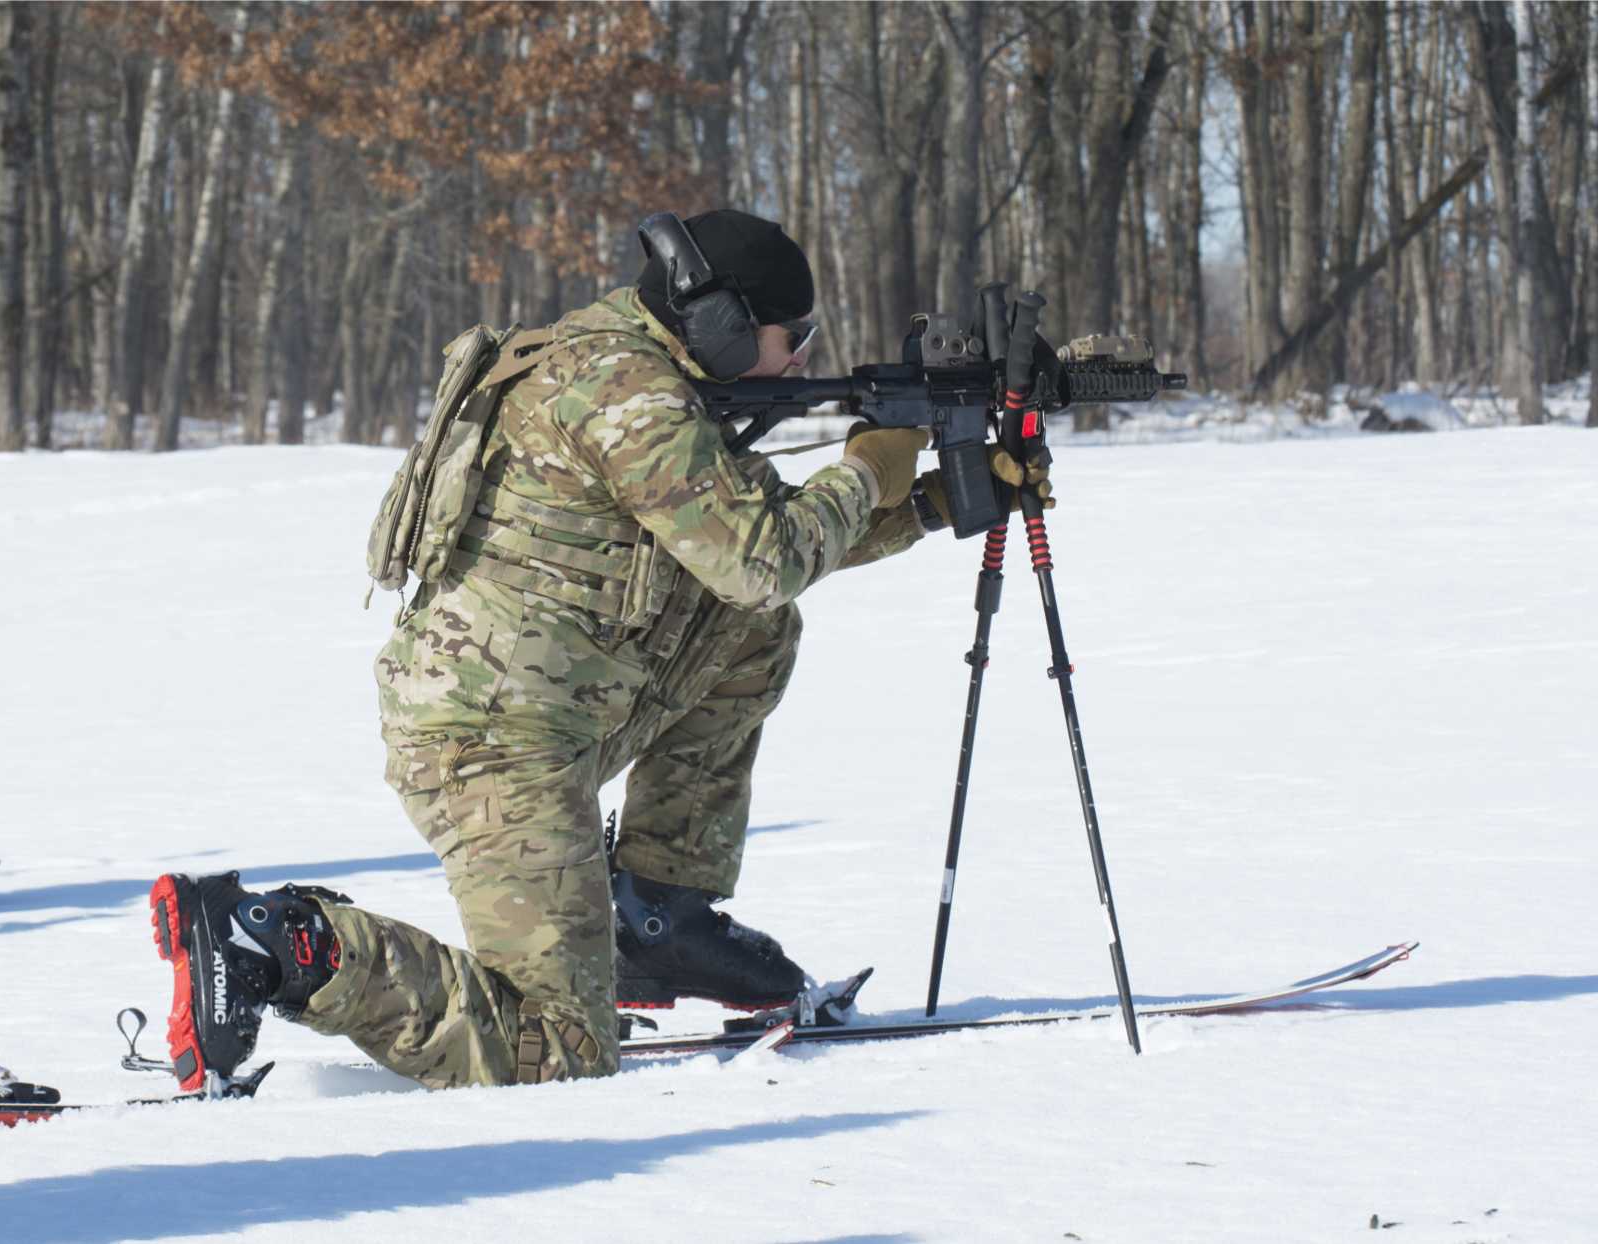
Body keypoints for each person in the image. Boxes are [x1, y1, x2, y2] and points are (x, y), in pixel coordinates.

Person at [148, 209, 1047, 1091]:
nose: (805, 356)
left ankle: (659, 917)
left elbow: (742, 545)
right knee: (559, 1052)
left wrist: (928, 505)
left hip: (556, 709)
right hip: (490, 745)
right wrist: (867, 472)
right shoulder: (629, 393)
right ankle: (278, 942)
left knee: (752, 629)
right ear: (726, 327)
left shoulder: (631, 364)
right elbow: (760, 557)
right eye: (793, 334)